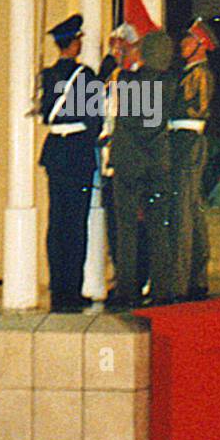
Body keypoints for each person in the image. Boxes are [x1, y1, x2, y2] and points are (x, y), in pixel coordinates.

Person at [107, 30, 176, 308]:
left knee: (126, 229)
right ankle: (161, 289)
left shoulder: (126, 80)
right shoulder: (170, 83)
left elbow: (115, 74)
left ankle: (127, 289)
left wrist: (122, 53)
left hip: (128, 164)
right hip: (157, 162)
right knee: (158, 228)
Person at [37, 14, 100, 311]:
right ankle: (71, 290)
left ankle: (57, 289)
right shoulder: (85, 76)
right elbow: (94, 119)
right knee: (75, 225)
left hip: (55, 153)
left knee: (56, 223)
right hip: (77, 153)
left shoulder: (48, 76)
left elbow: (45, 113)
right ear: (73, 43)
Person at [169, 17, 217, 302]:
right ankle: (195, 277)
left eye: (189, 40)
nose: (183, 45)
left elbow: (188, 108)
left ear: (201, 45)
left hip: (186, 141)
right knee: (191, 210)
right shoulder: (189, 72)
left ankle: (181, 281)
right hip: (185, 140)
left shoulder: (198, 74)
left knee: (183, 213)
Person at [97, 23, 139, 267]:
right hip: (110, 157)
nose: (116, 51)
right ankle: (121, 270)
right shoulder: (109, 76)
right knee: (114, 220)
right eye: (113, 46)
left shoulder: (138, 78)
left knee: (134, 221)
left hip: (132, 158)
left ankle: (138, 275)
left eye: (120, 46)